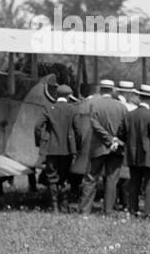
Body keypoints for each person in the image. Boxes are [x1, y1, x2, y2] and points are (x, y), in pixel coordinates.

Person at [79, 79, 127, 214]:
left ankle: (85, 211)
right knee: (112, 180)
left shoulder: (95, 104)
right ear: (112, 91)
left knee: (91, 178)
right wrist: (115, 141)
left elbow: (95, 125)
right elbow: (125, 127)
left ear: (100, 90)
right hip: (117, 148)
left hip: (98, 147)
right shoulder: (122, 106)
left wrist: (108, 140)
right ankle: (108, 211)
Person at [36, 84, 78, 212]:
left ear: (56, 95)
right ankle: (64, 206)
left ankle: (54, 207)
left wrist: (41, 141)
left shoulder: (48, 108)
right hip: (68, 149)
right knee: (64, 176)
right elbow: (79, 130)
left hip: (51, 149)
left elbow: (37, 126)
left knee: (52, 177)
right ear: (68, 96)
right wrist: (77, 146)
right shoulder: (73, 109)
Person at [122, 85, 150, 218]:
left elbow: (121, 133)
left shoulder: (129, 115)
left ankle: (133, 210)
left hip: (132, 154)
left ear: (139, 97)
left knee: (134, 183)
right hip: (149, 155)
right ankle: (148, 212)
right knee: (149, 184)